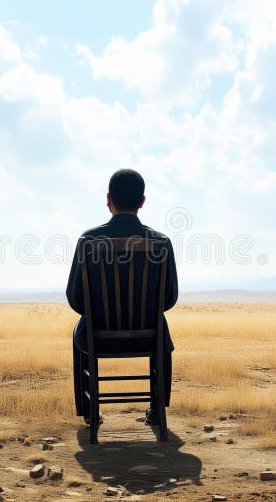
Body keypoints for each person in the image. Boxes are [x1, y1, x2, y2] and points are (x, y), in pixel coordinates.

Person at [66, 168, 178, 426]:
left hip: (96, 337)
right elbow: (169, 298)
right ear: (142, 202)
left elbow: (75, 298)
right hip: (149, 337)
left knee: (77, 331)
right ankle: (157, 409)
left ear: (108, 200)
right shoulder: (161, 243)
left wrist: (98, 317)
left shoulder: (88, 240)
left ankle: (89, 412)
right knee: (163, 328)